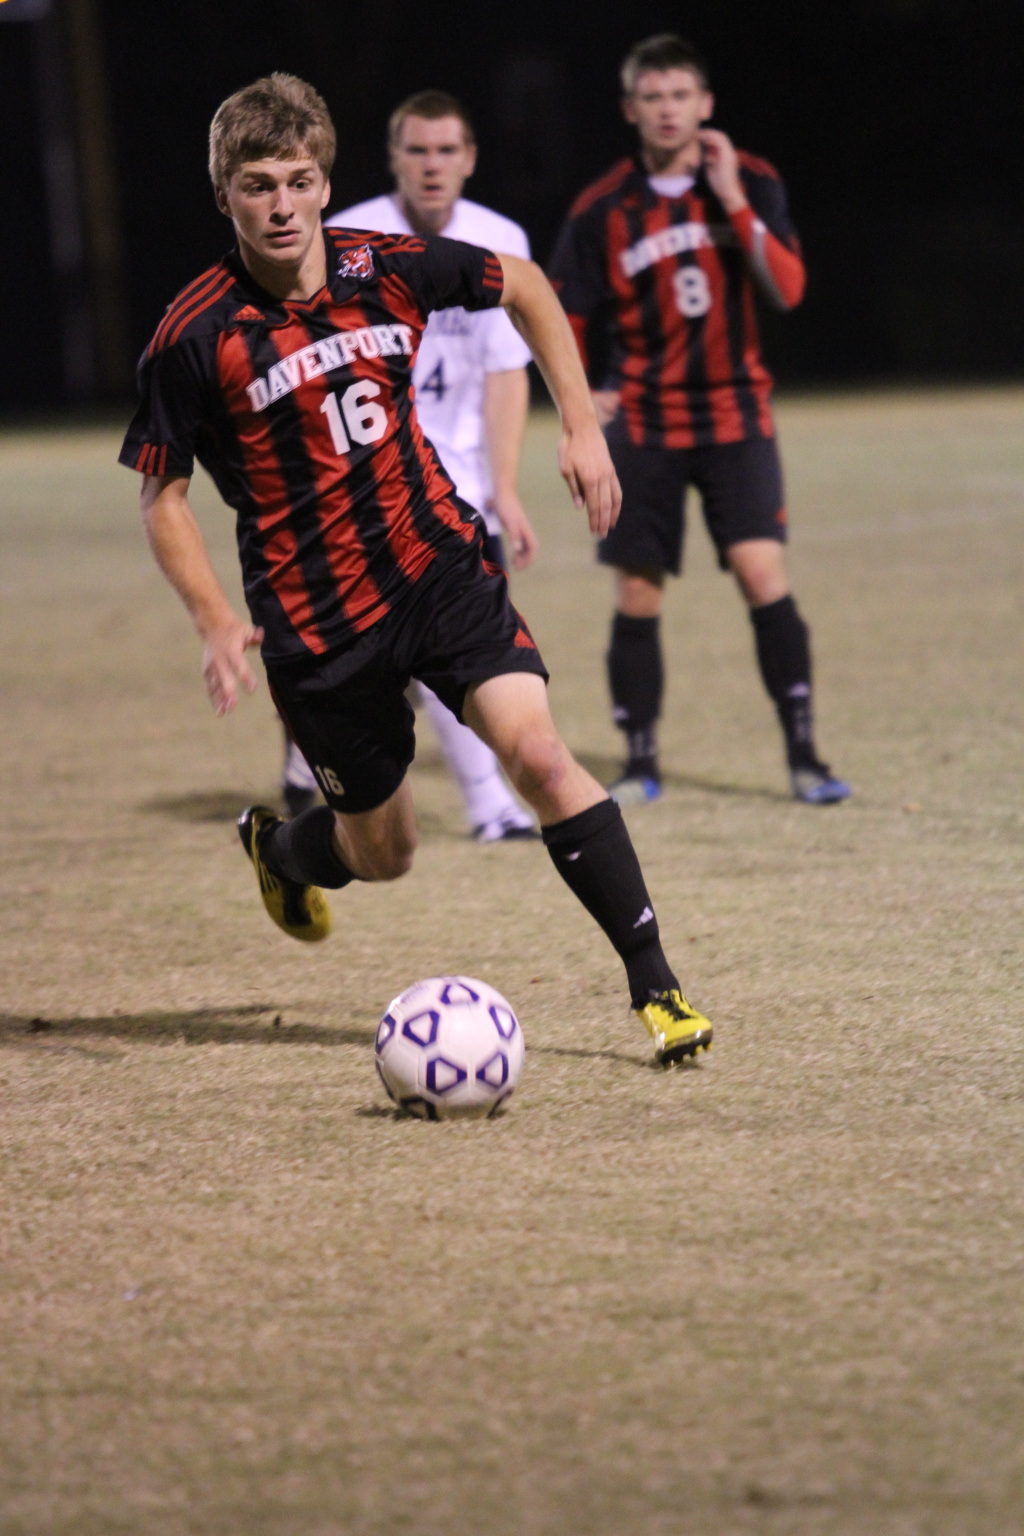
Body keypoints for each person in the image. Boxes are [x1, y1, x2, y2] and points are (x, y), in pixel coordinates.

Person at [119, 73, 712, 1066]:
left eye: (299, 179)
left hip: (437, 567)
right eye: (257, 183)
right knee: (382, 855)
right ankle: (283, 848)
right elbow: (162, 495)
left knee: (539, 755)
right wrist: (217, 621)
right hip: (318, 622)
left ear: (324, 183)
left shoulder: (384, 265)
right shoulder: (193, 335)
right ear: (224, 194)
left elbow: (523, 286)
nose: (281, 203)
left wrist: (579, 426)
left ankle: (657, 987)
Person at [548, 33, 850, 807]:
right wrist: (582, 398)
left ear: (706, 105)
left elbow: (786, 288)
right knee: (639, 594)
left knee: (760, 574)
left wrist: (735, 201)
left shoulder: (751, 181)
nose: (668, 110)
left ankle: (805, 756)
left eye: (681, 95)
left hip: (735, 419)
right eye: (652, 97)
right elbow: (562, 314)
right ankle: (640, 759)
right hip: (643, 425)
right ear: (630, 110)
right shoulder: (602, 209)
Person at [314, 88, 539, 844]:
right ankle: (308, 761)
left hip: (459, 493)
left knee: (465, 656)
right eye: (418, 149)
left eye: (447, 149)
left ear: (470, 158)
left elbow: (506, 371)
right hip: (370, 491)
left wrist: (505, 488)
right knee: (361, 666)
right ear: (394, 158)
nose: (433, 164)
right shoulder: (349, 240)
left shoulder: (499, 238)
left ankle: (492, 809)